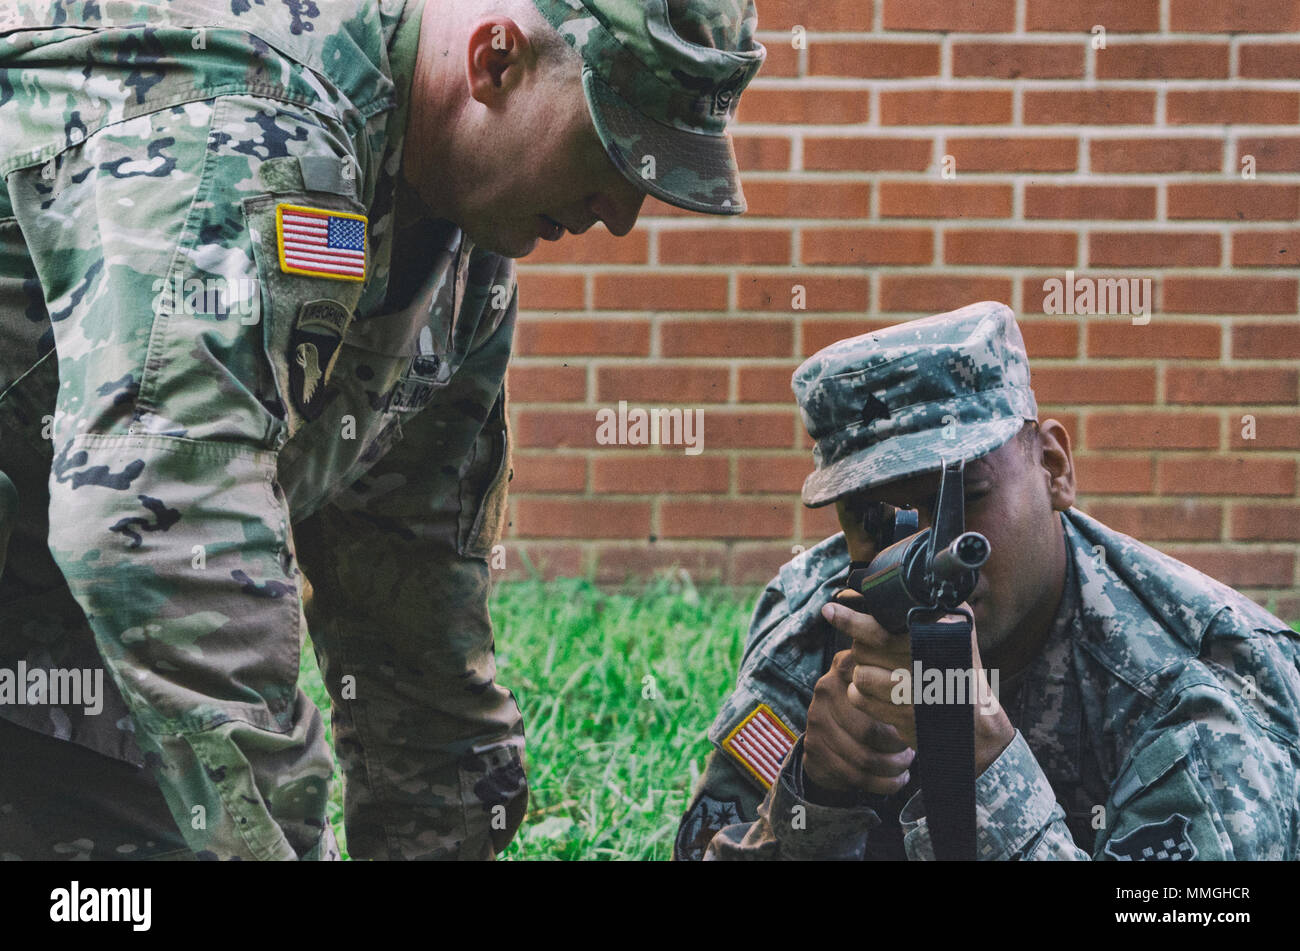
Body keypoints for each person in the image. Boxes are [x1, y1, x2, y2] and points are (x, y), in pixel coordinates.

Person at [0, 0, 765, 860]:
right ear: (496, 61)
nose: (623, 212)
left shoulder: (463, 251)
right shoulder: (254, 117)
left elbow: (409, 579)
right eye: (615, 148)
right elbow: (156, 522)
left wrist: (442, 829)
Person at [675, 301, 1300, 861]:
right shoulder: (818, 618)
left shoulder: (1199, 677)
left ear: (1053, 467)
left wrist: (985, 763)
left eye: (963, 500)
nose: (924, 555)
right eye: (879, 517)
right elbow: (701, 848)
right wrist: (816, 796)